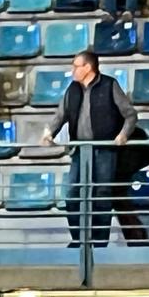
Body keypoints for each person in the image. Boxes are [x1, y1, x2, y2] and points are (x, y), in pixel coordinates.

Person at [41, 50, 137, 249]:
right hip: (79, 151)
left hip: (105, 150)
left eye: (76, 66)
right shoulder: (72, 89)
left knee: (102, 196)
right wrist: (49, 132)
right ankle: (79, 239)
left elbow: (130, 115)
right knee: (72, 195)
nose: (73, 70)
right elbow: (61, 114)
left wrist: (123, 135)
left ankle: (100, 242)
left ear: (88, 67)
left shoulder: (110, 85)